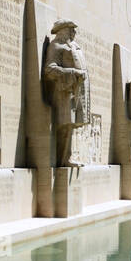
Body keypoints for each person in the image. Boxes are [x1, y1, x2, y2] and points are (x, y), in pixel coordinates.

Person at [42, 19, 90, 167]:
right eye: (71, 30)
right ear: (64, 31)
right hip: (63, 91)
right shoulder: (56, 46)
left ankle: (67, 157)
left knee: (70, 125)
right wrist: (72, 72)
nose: (74, 32)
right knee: (64, 125)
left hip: (75, 91)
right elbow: (49, 69)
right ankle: (62, 160)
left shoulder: (75, 47)